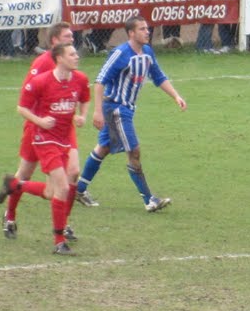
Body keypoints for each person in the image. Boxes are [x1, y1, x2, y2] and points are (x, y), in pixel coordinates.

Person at [73, 18, 187, 212]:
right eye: (142, 29)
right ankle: (149, 200)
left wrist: (176, 96)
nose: (147, 32)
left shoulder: (148, 52)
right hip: (116, 108)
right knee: (133, 151)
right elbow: (100, 81)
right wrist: (98, 111)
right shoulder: (120, 54)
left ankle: (79, 190)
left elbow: (158, 77)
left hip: (126, 109)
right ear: (131, 33)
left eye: (147, 29)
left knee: (104, 147)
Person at [0, 42, 92, 254]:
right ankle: (59, 241)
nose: (77, 57)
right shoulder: (40, 82)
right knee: (63, 187)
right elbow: (21, 108)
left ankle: (15, 184)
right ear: (59, 58)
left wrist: (82, 115)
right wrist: (40, 122)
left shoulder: (80, 79)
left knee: (53, 191)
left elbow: (85, 99)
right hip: (44, 139)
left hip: (64, 139)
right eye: (72, 54)